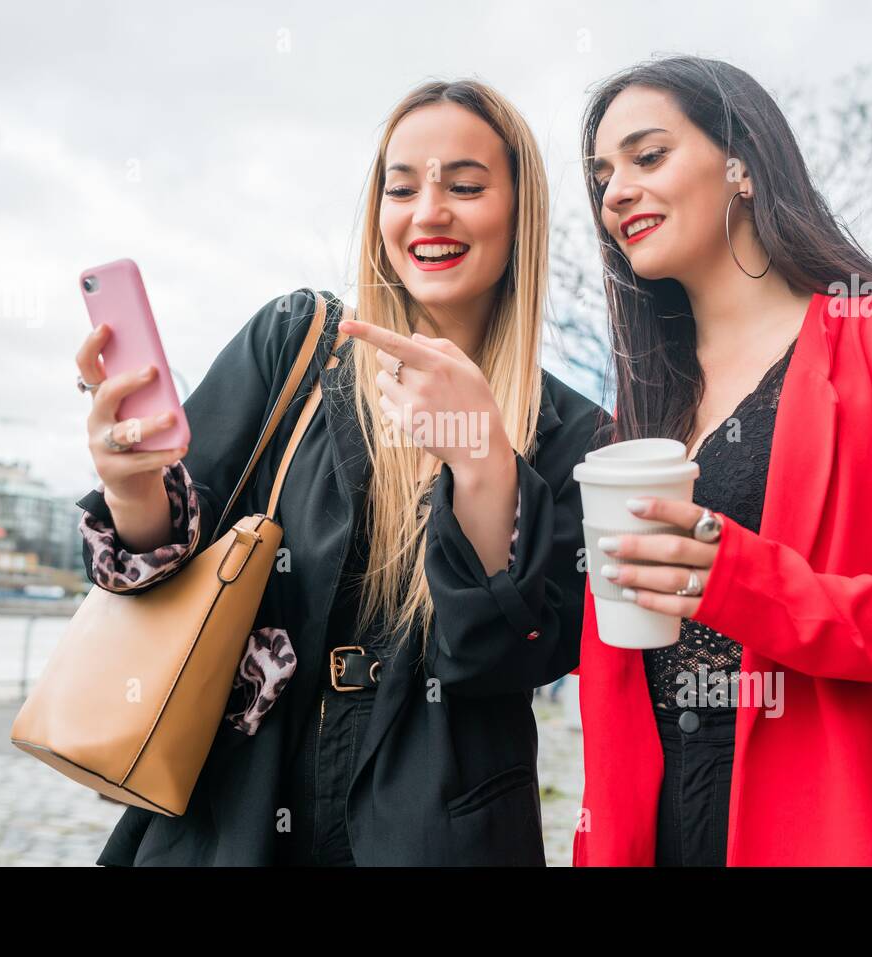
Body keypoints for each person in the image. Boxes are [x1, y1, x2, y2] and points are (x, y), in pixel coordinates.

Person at [72, 79, 611, 865]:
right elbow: (166, 568)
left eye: (464, 185)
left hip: (436, 830)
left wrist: (482, 460)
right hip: (233, 816)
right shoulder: (292, 345)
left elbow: (503, 658)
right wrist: (129, 485)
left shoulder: (575, 435)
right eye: (402, 187)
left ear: (520, 213)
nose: (428, 211)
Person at [571, 55, 872, 866]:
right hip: (665, 820)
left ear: (744, 167)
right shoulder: (643, 414)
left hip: (836, 817)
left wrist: (742, 583)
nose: (614, 191)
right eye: (601, 176)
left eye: (647, 156)